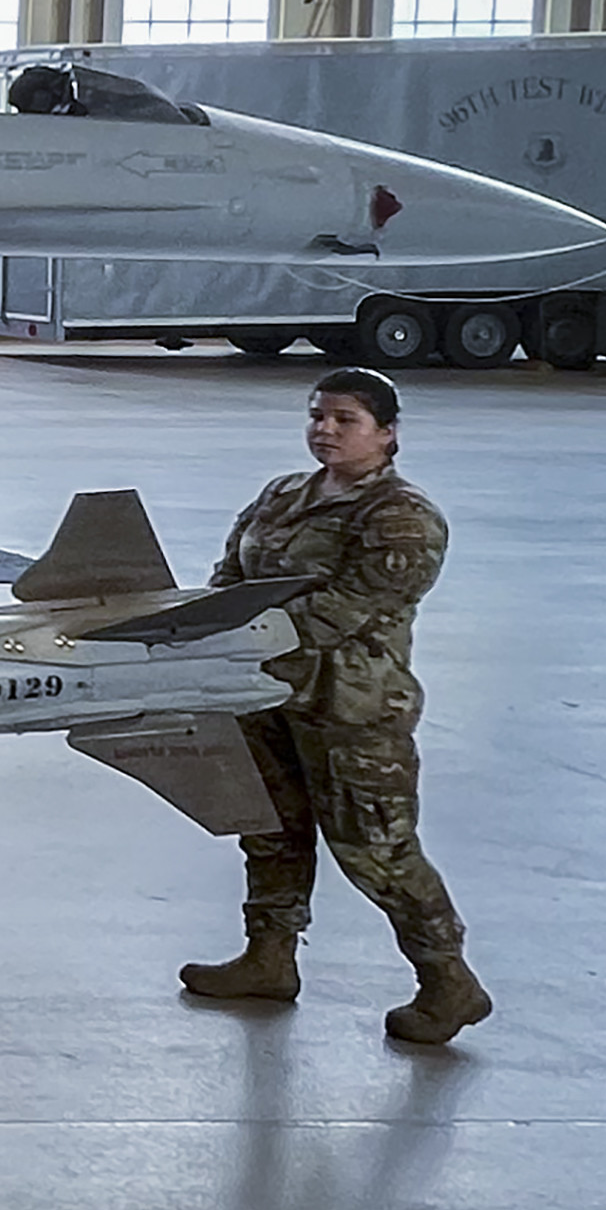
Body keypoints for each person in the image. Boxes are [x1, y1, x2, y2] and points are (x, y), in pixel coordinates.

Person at [180, 367, 490, 1044]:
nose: (325, 429)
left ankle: (447, 979)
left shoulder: (402, 518)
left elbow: (338, 613)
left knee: (376, 848)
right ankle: (269, 956)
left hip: (352, 710)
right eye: (317, 416)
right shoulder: (283, 494)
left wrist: (237, 640)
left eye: (345, 419)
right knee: (268, 829)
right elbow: (230, 577)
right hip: (262, 696)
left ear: (387, 433)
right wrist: (215, 636)